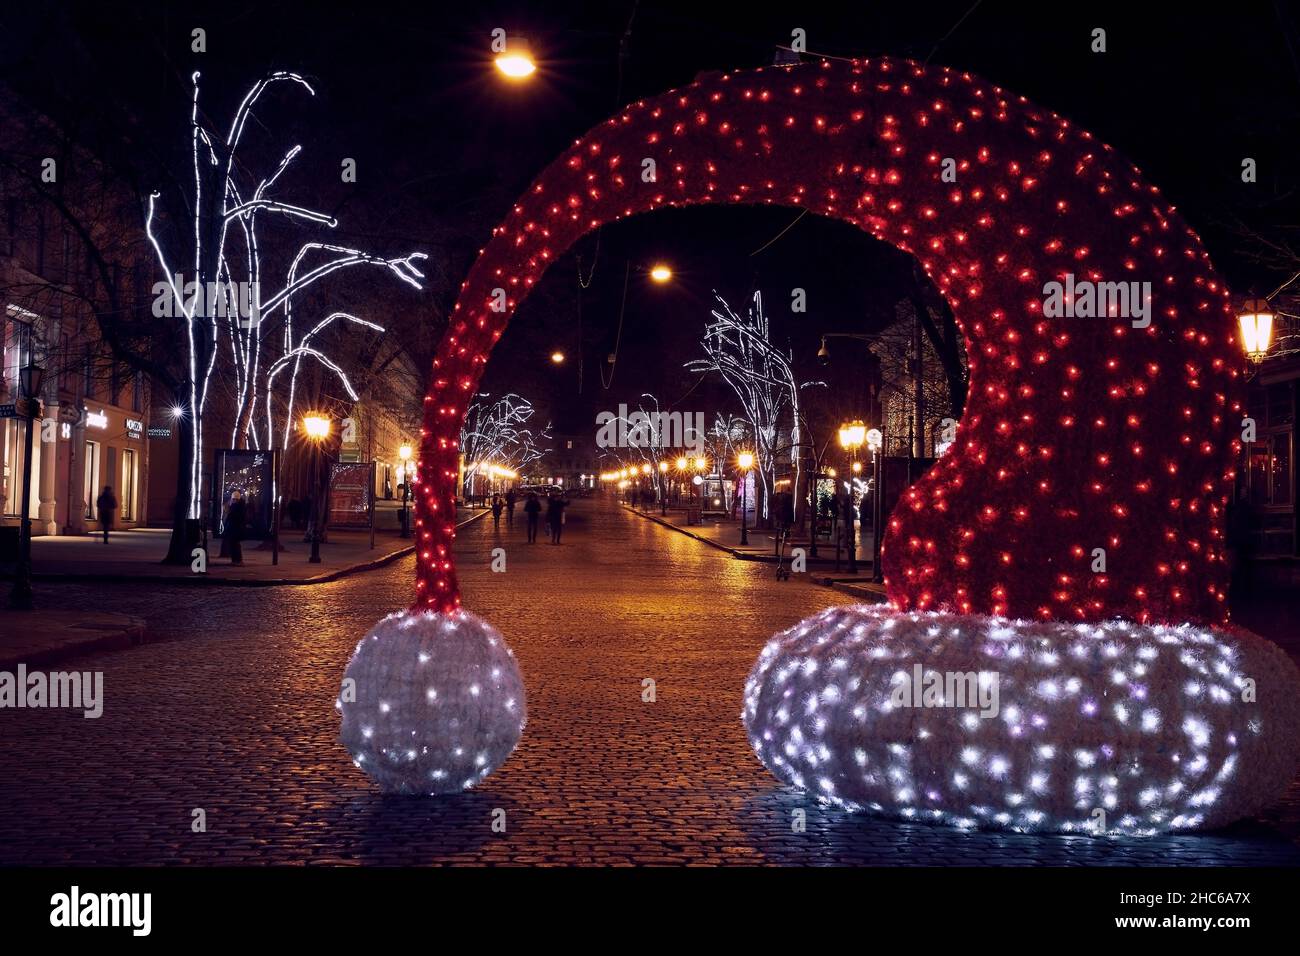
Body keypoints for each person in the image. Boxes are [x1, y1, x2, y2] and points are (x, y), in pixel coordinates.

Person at [226, 490, 248, 566]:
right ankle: (236, 560)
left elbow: (232, 517)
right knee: (235, 545)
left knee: (234, 545)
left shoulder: (235, 506)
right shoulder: (241, 506)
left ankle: (236, 560)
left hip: (235, 529)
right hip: (236, 528)